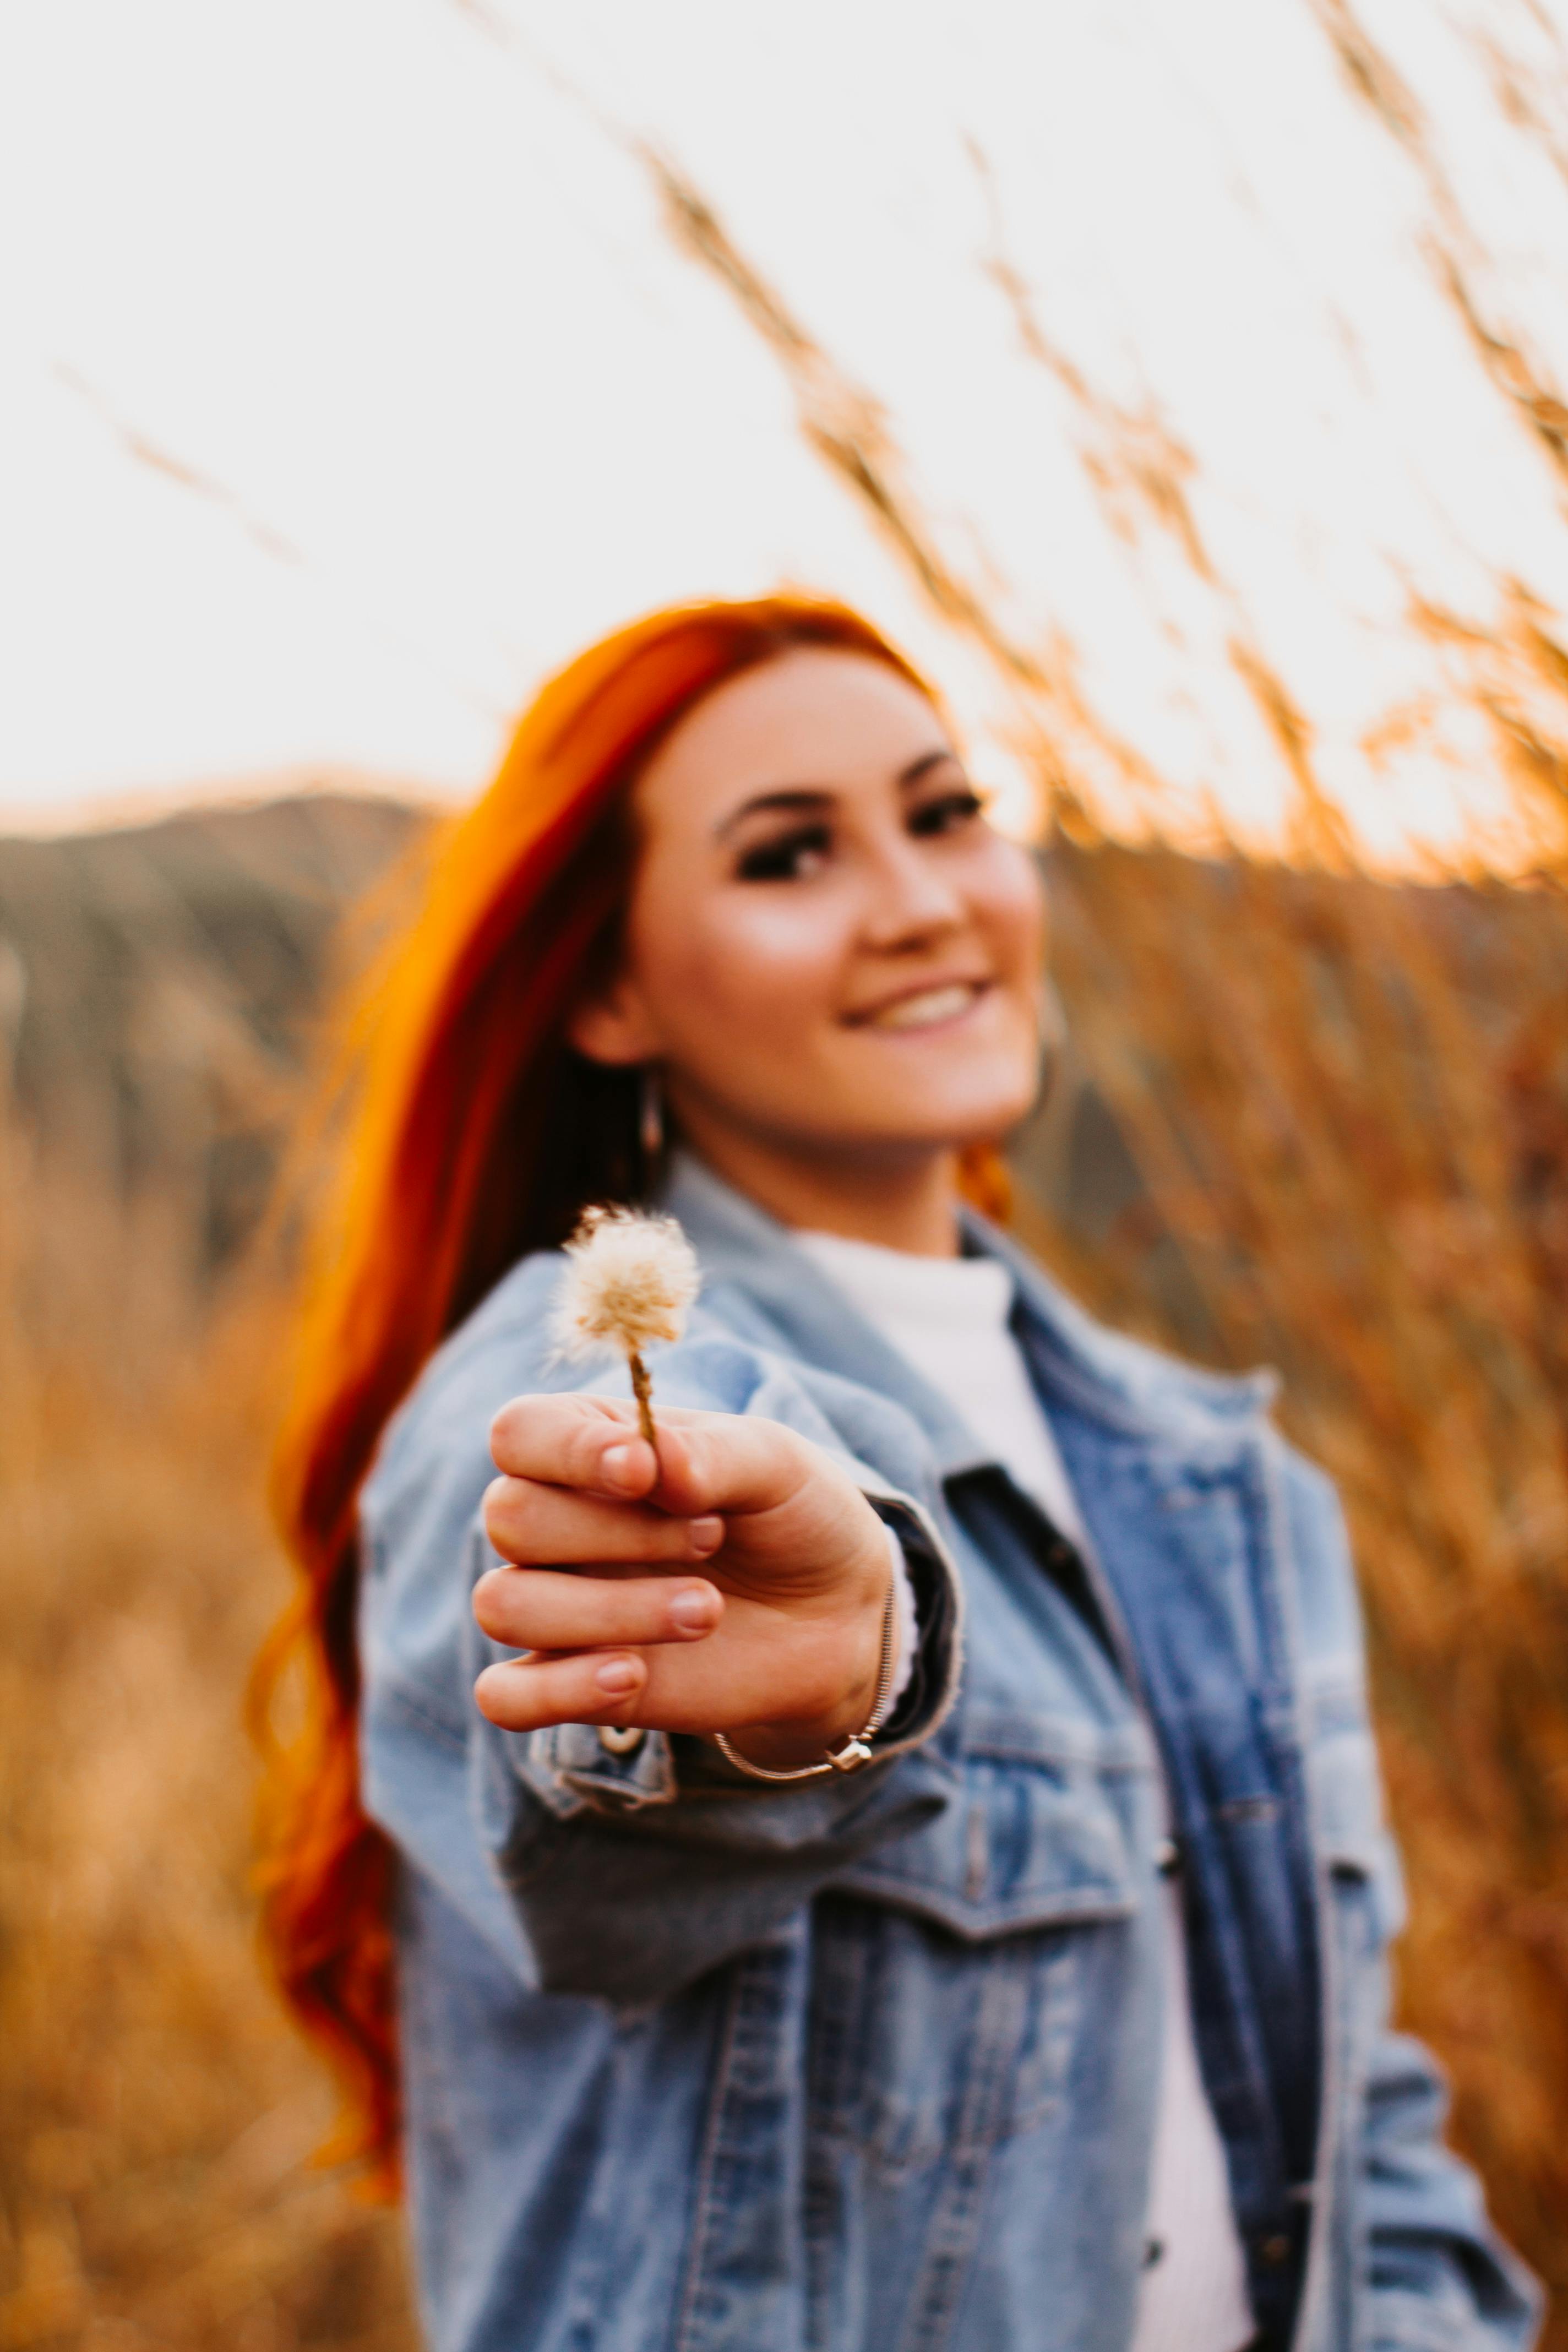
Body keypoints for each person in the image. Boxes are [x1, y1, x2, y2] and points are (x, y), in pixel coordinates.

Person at [258, 596, 1538, 2352]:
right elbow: (592, 1836)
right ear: (612, 988)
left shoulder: (1223, 1480)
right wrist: (833, 1672)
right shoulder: (566, 1392)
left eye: (946, 815)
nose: (926, 899)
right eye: (792, 858)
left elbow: (1348, 2098)